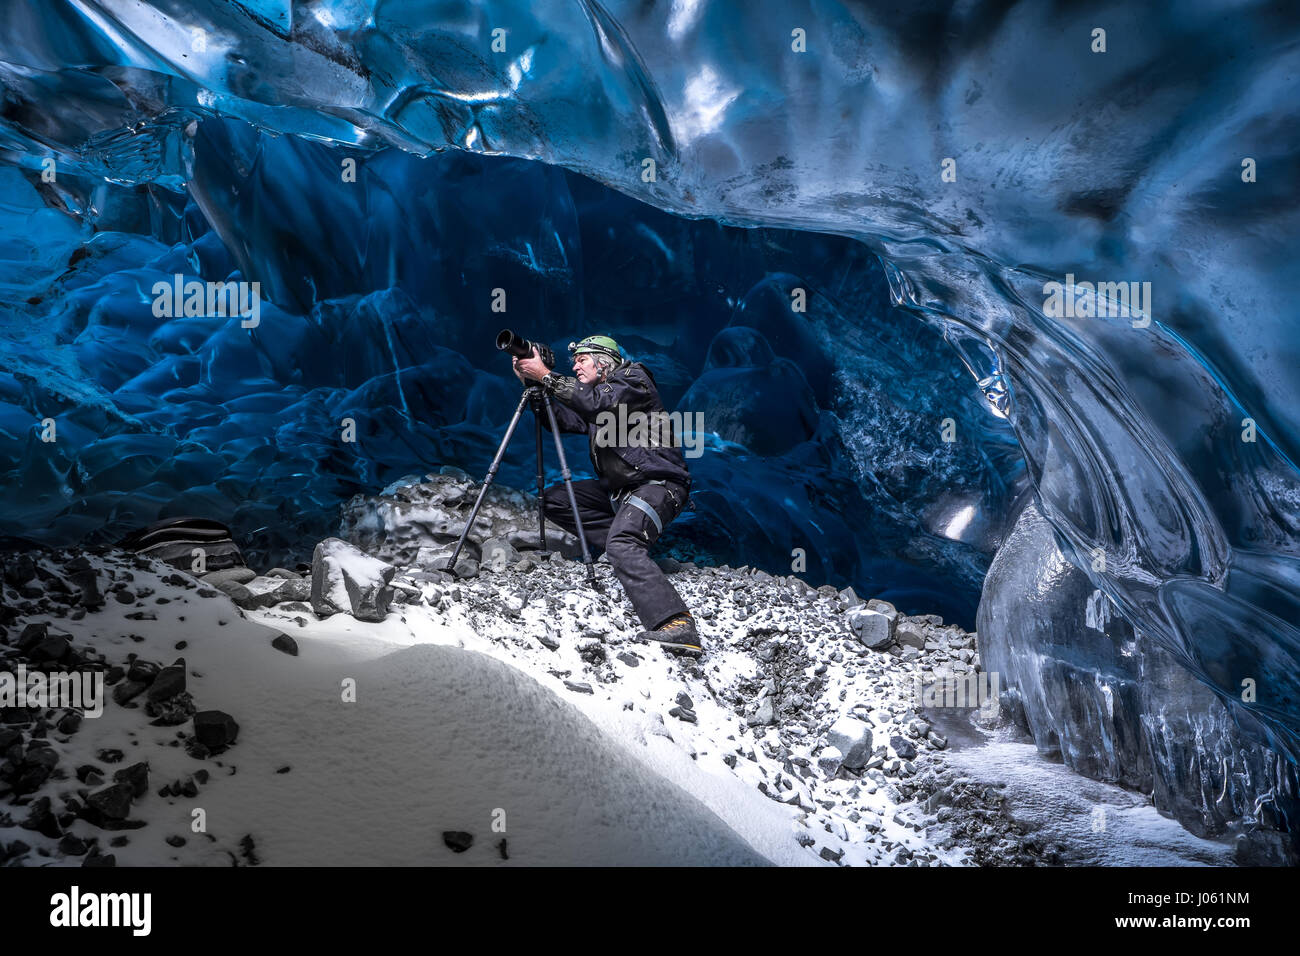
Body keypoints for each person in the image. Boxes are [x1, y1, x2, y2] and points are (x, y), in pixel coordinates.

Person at [512, 335, 701, 656]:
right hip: (621, 491)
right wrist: (534, 387)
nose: (574, 366)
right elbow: (561, 419)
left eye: (581, 360)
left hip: (658, 484)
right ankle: (622, 549)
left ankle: (676, 624)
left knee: (623, 543)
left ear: (604, 361)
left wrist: (546, 374)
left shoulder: (633, 380)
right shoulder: (601, 399)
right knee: (555, 500)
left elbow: (595, 402)